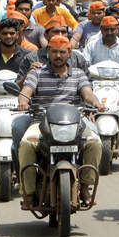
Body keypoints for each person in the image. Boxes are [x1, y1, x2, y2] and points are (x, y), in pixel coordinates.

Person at [15, 35, 104, 205]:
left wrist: (96, 103)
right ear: (48, 52)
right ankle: (28, 192)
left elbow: (88, 94)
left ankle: (85, 185)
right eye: (54, 51)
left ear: (69, 53)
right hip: (41, 123)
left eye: (62, 52)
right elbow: (26, 91)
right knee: (26, 144)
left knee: (95, 142)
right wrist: (23, 102)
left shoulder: (78, 74)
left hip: (74, 123)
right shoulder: (37, 72)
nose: (58, 55)